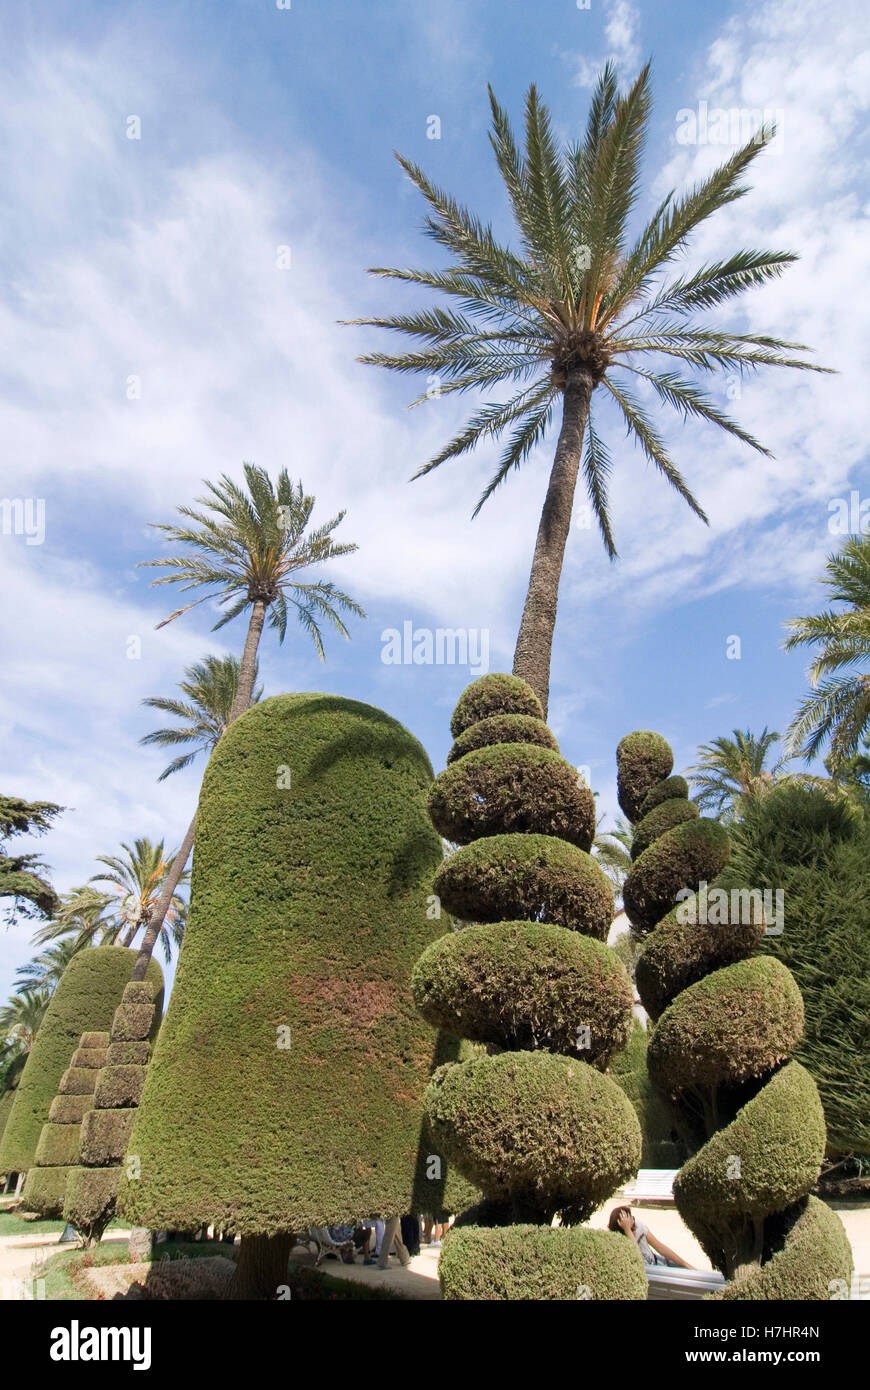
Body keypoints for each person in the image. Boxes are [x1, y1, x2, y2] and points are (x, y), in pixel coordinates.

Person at [607, 1205, 693, 1268]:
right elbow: (637, 1258)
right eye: (630, 1218)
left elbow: (660, 1247)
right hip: (650, 1271)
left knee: (686, 1269)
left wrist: (686, 1264)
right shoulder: (620, 1242)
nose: (633, 1218)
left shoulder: (637, 1225)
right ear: (623, 1226)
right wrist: (628, 1231)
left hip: (657, 1261)